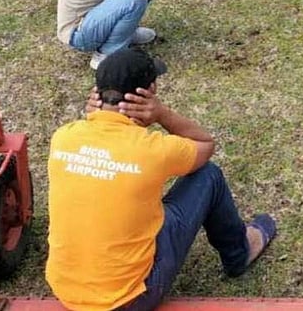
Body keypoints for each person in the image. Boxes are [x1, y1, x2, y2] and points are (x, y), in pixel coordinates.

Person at [46, 47, 276, 311]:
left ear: (97, 94)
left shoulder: (63, 137)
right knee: (208, 175)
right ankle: (239, 253)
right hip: (130, 299)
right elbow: (205, 144)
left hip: (66, 292)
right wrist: (161, 114)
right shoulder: (153, 149)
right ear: (150, 91)